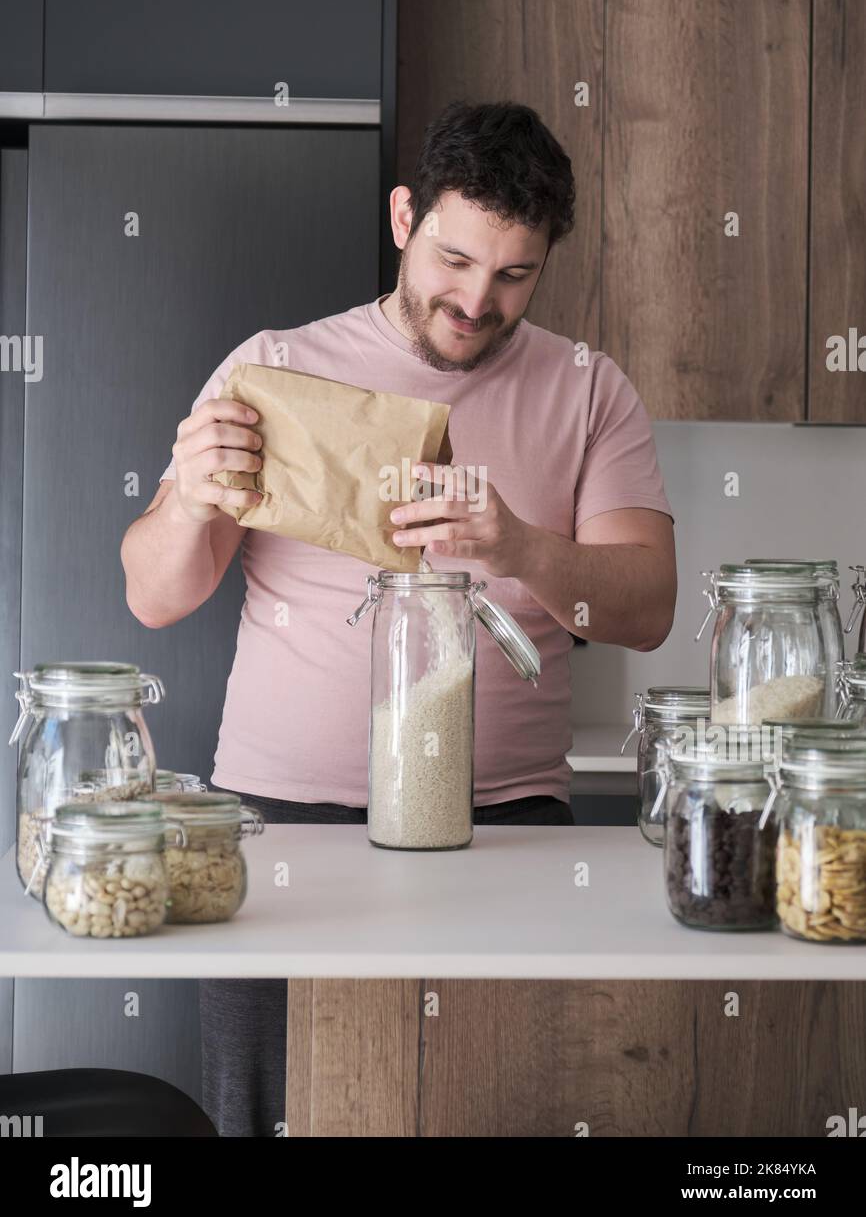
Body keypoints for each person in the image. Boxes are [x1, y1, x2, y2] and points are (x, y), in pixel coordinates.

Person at [121, 100, 677, 1136]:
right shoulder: (276, 366)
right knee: (267, 1114)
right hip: (278, 828)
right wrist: (191, 496)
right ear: (401, 219)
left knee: (489, 1109)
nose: (474, 300)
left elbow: (645, 608)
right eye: (454, 260)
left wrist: (516, 545)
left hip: (505, 833)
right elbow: (154, 594)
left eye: (513, 274)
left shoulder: (588, 391)